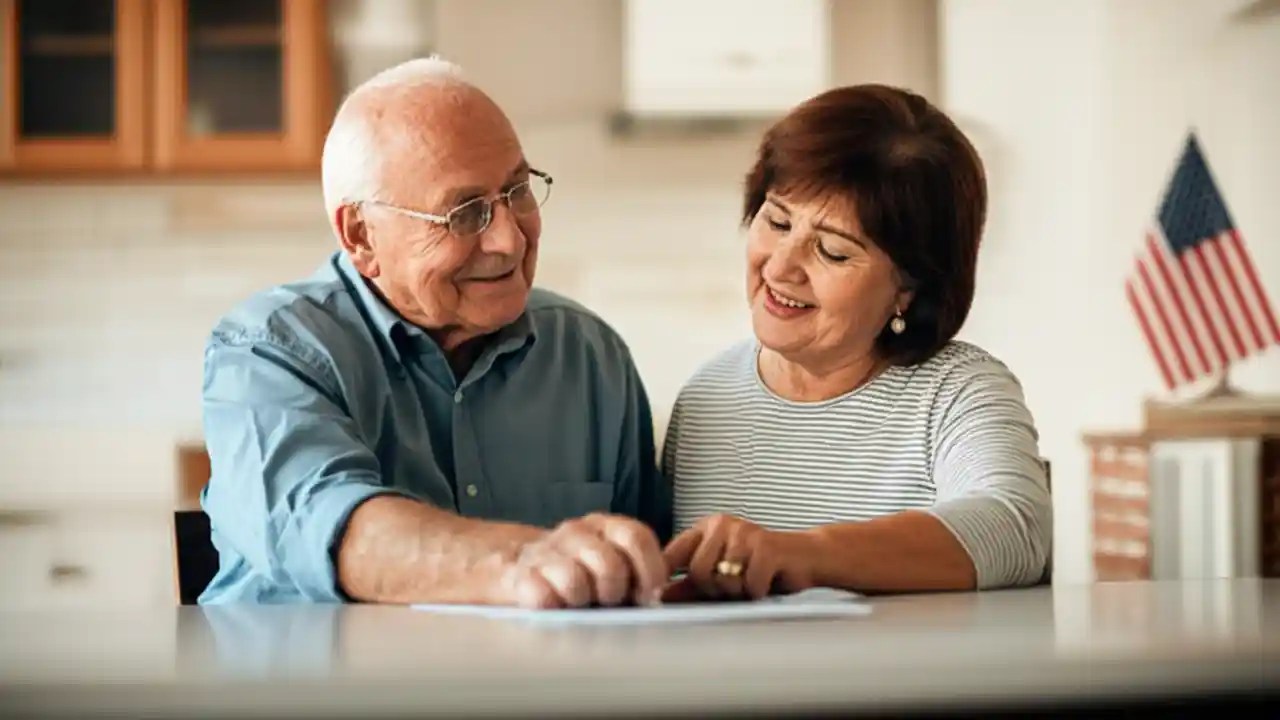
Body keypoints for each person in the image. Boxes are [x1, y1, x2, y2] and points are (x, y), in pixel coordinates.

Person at [199, 57, 670, 607]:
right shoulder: (267, 351)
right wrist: (524, 561)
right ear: (361, 236)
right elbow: (336, 529)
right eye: (465, 213)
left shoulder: (591, 357)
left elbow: (645, 579)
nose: (509, 241)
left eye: (517, 191)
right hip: (314, 690)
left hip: (532, 692)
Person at [661, 84, 1052, 599]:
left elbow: (1014, 527)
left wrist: (798, 555)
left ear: (909, 289)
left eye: (833, 252)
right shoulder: (707, 396)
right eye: (777, 221)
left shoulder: (960, 391)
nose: (780, 267)